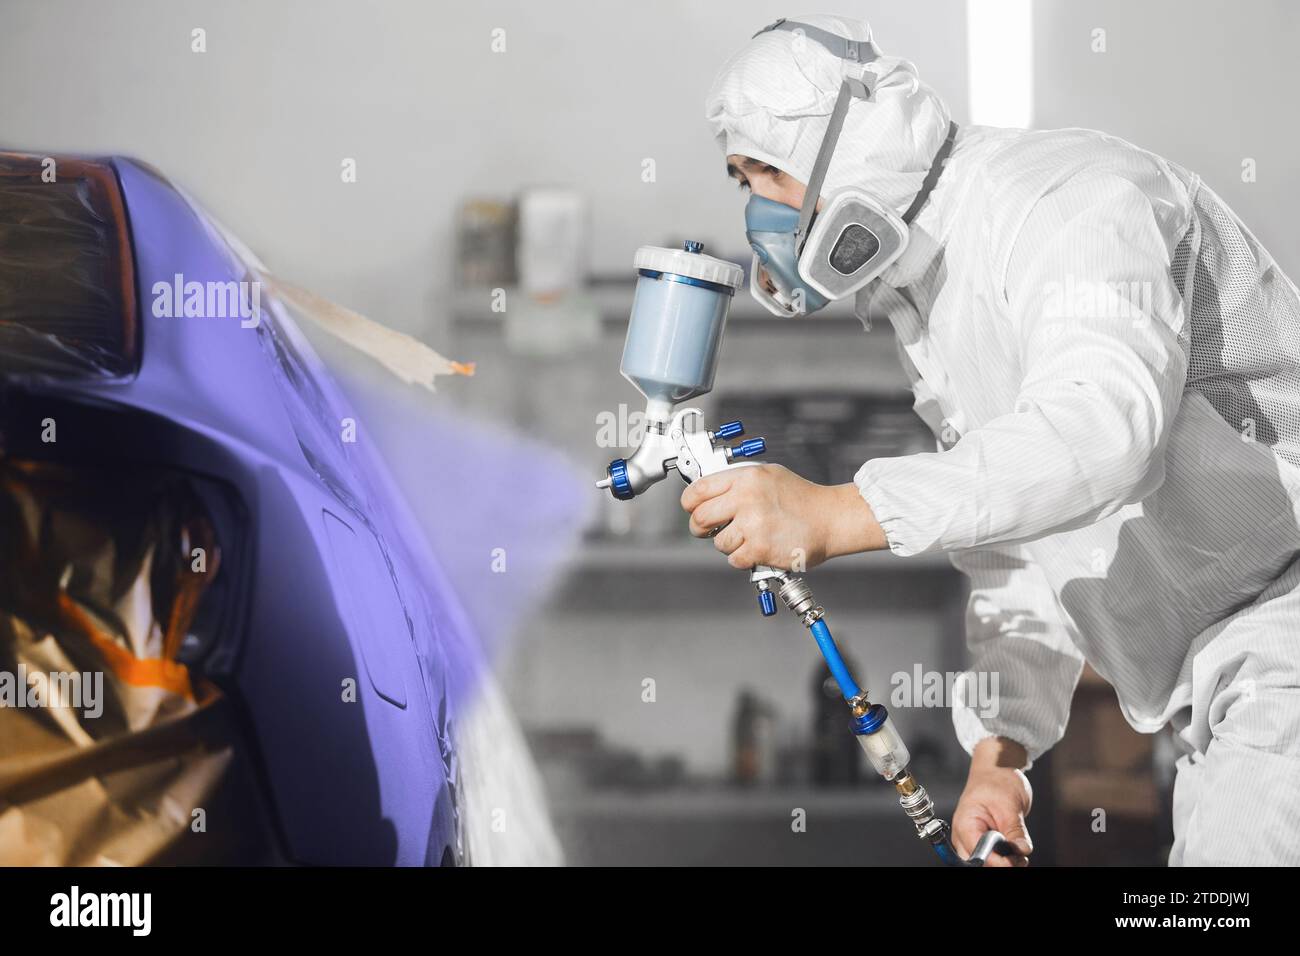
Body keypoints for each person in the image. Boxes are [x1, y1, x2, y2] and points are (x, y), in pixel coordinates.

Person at [684, 13, 1300, 866]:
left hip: (1282, 626)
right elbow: (1018, 538)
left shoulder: (1066, 202)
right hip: (1219, 687)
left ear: (854, 146)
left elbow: (1102, 430)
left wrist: (835, 512)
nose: (757, 211)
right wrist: (999, 757)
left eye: (769, 172)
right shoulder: (928, 295)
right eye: (739, 177)